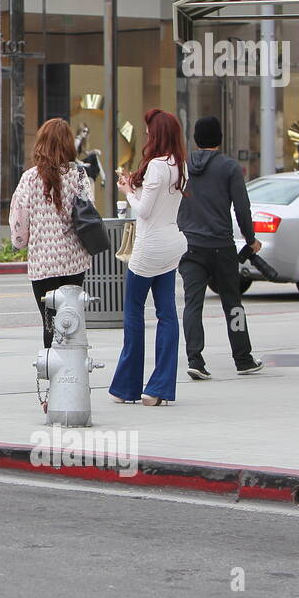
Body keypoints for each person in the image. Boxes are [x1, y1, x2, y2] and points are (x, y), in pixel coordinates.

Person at [109, 108, 189, 406]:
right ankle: (160, 388)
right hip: (172, 244)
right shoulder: (180, 165)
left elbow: (142, 211)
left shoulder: (156, 165)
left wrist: (128, 190)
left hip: (149, 246)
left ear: (156, 134)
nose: (144, 134)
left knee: (133, 313)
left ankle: (127, 387)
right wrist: (137, 186)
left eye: (148, 130)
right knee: (167, 313)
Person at [176, 116, 265, 380]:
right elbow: (242, 208)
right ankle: (243, 358)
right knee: (233, 304)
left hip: (189, 245)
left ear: (195, 139)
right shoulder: (229, 167)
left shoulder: (182, 167)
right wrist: (251, 239)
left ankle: (195, 360)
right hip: (221, 245)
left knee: (193, 304)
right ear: (220, 138)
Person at [8, 118, 94, 352]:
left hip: (43, 263)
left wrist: (20, 243)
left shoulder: (30, 178)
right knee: (71, 319)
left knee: (50, 322)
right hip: (74, 260)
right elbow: (89, 211)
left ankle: (54, 371)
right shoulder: (79, 175)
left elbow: (19, 219)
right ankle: (72, 368)